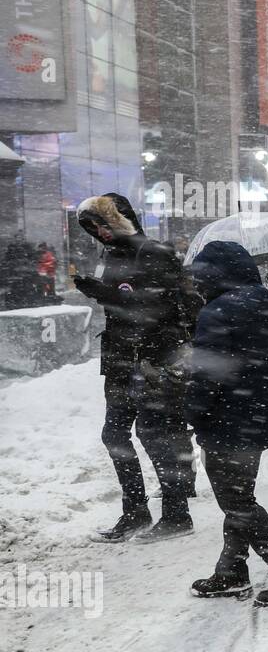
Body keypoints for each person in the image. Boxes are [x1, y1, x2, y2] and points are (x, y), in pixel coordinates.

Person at [185, 241, 268, 607]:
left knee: (236, 501)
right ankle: (231, 571)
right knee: (240, 495)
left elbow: (207, 374)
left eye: (202, 276)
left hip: (225, 419)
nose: (198, 283)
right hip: (262, 415)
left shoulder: (216, 311)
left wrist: (192, 412)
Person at [73, 193, 198, 542]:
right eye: (91, 227)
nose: (98, 231)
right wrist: (98, 291)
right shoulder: (109, 255)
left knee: (156, 435)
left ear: (120, 217)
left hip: (154, 360)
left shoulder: (153, 252)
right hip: (119, 359)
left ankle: (176, 514)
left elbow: (160, 308)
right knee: (114, 435)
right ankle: (135, 512)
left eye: (101, 222)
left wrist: (106, 294)